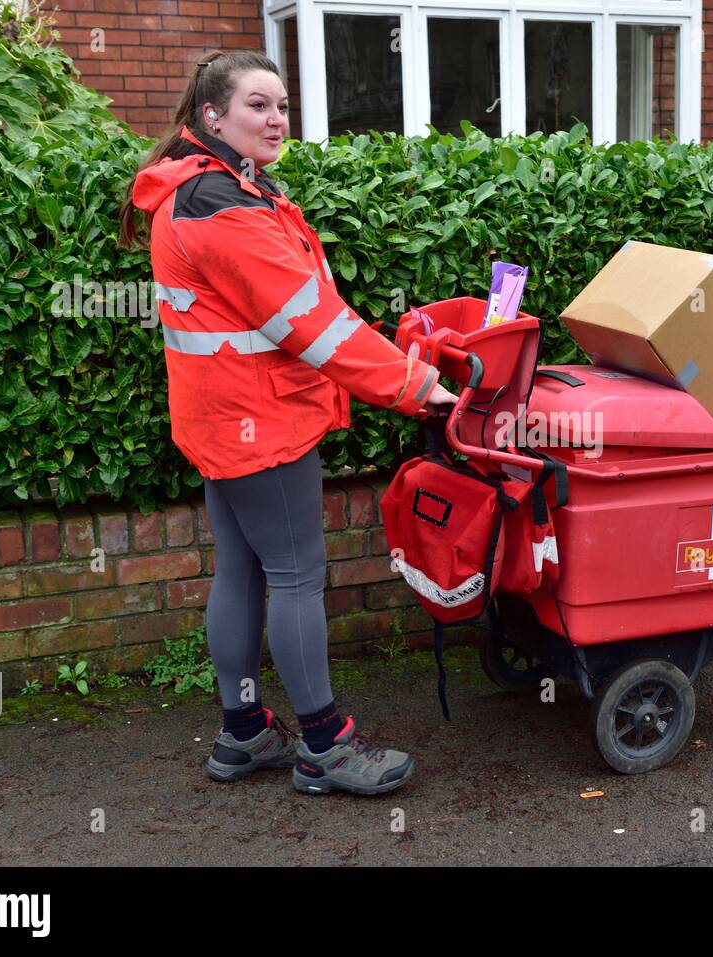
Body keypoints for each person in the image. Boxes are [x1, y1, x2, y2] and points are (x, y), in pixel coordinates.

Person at [118, 49, 456, 796]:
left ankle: (243, 734)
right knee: (298, 577)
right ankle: (325, 746)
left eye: (281, 106)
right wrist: (417, 386)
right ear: (212, 115)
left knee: (242, 570)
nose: (276, 120)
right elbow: (312, 323)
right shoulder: (222, 205)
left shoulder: (206, 187)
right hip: (261, 422)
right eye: (258, 106)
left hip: (222, 418)